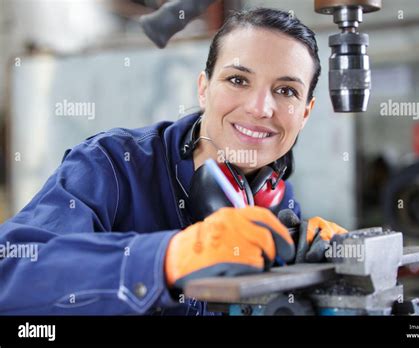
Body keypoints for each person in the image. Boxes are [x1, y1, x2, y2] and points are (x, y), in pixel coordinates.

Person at [0, 8, 346, 315]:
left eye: (286, 91)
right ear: (203, 89)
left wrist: (321, 273)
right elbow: (10, 270)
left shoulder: (278, 203)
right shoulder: (110, 166)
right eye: (238, 80)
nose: (260, 108)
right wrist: (169, 257)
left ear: (305, 114)